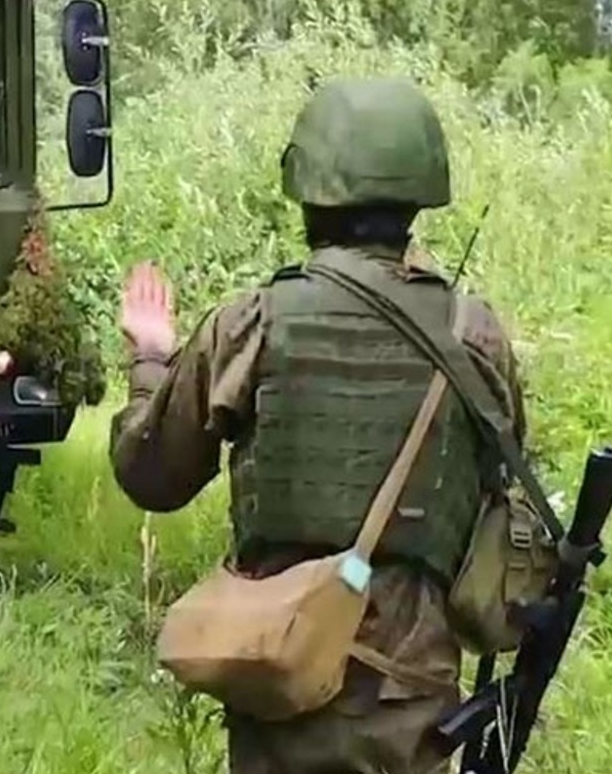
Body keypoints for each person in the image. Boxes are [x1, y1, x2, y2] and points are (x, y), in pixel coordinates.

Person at [110, 76, 527, 774]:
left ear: (307, 192)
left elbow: (149, 473)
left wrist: (152, 356)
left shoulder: (254, 323)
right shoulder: (471, 333)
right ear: (418, 197)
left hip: (278, 677)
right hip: (411, 698)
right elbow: (495, 487)